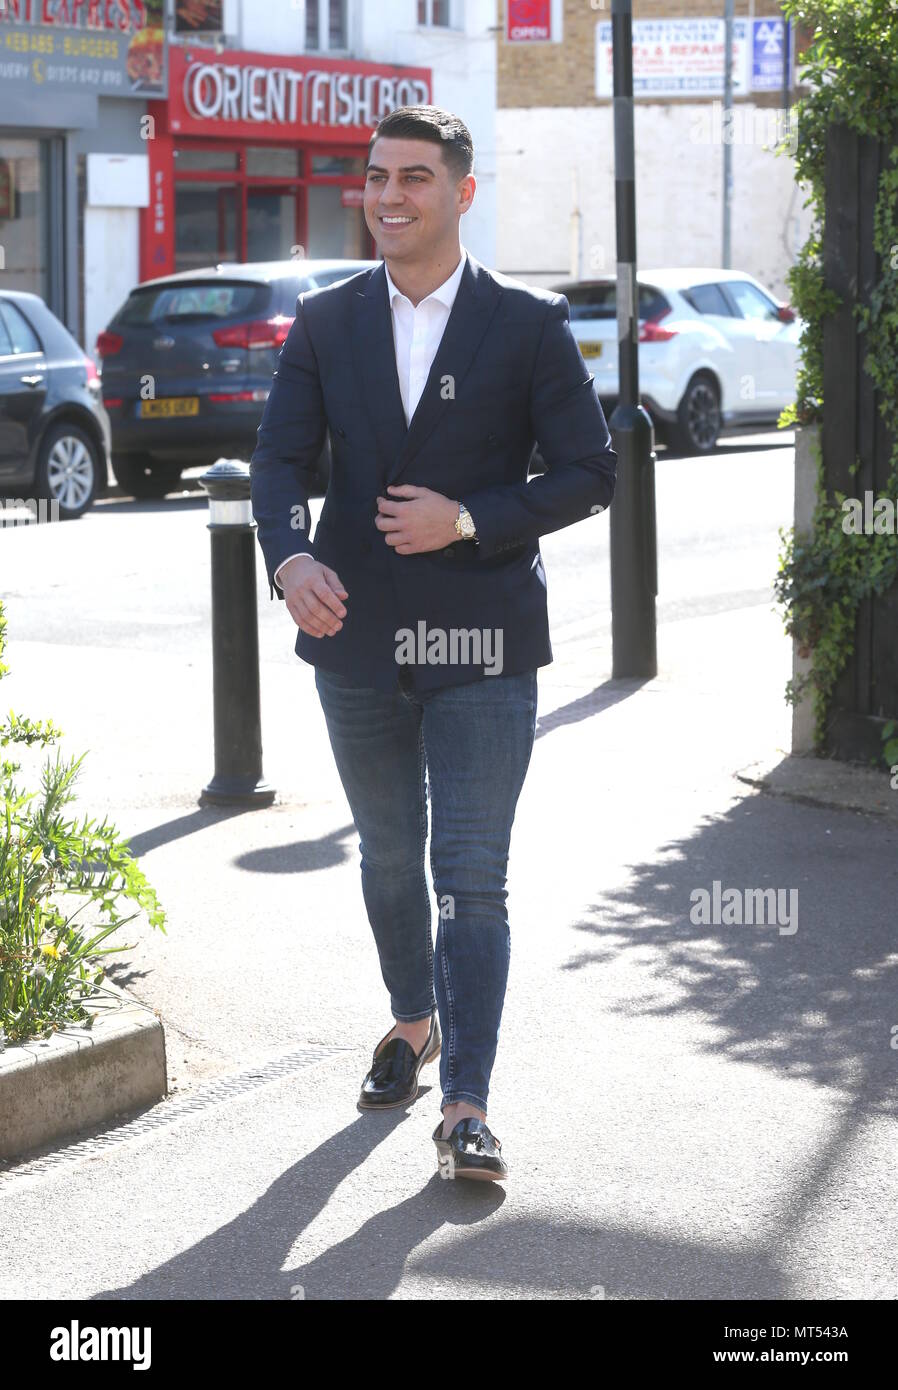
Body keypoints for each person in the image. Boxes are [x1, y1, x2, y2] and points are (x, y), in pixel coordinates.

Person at [250, 105, 616, 1182]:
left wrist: (466, 519)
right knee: (385, 855)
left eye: (413, 177)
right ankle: (413, 1021)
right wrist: (290, 559)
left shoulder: (527, 322)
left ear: (462, 191)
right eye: (376, 177)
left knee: (473, 875)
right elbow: (278, 462)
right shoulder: (326, 320)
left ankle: (466, 1106)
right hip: (354, 633)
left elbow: (590, 472)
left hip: (484, 640)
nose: (389, 196)